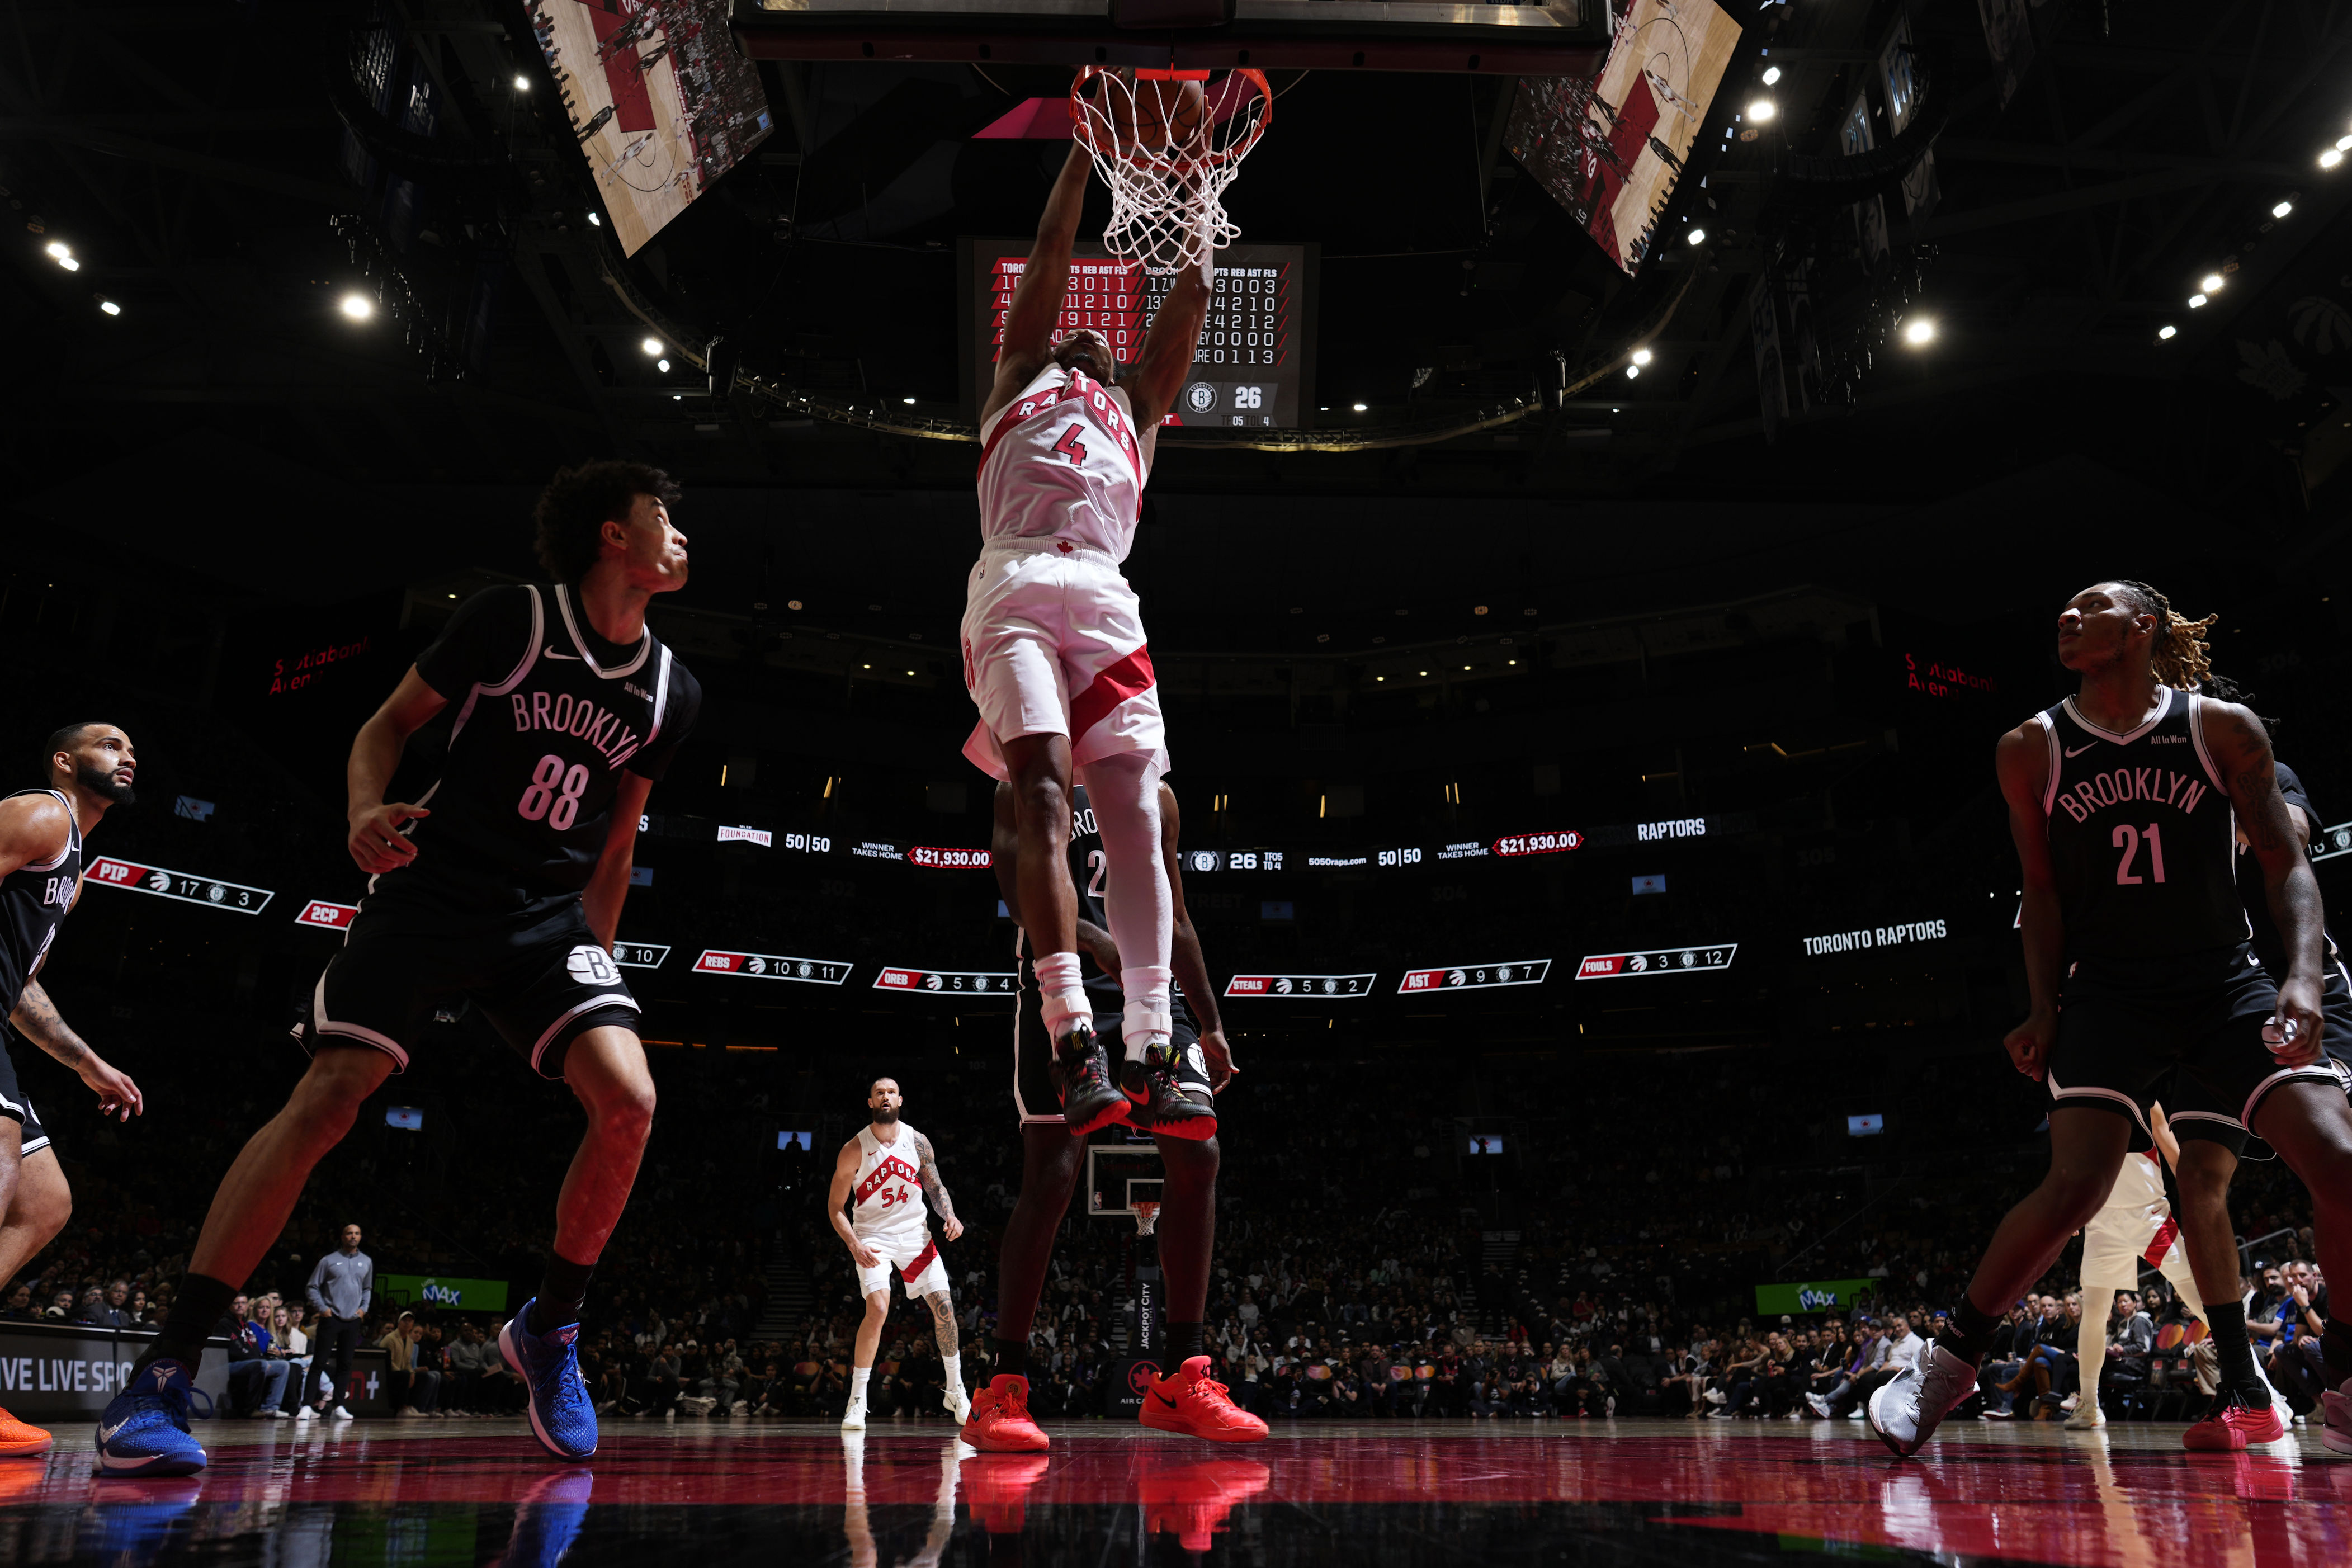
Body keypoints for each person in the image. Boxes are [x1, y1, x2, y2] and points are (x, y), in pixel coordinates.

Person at [97, 461, 701, 1476]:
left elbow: (619, 837)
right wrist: (361, 812)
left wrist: (597, 965)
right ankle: (162, 1373)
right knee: (329, 1097)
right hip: (434, 890)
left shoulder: (674, 687)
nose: (680, 534)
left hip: (547, 918)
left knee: (630, 1099)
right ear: (612, 534)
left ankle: (550, 1329)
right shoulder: (513, 619)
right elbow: (385, 726)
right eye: (662, 517)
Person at [1871, 582, 2352, 1458]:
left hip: (2221, 981)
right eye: (2062, 608)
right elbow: (2040, 890)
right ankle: (1948, 1365)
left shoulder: (2220, 728)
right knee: (2076, 1186)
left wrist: (2303, 980)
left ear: (2141, 627)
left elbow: (2286, 860)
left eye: (2089, 606)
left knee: (2336, 1155)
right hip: (2109, 993)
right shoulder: (2030, 747)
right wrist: (2040, 1006)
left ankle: (2343, 1376)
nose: (2066, 616)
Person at [957, 138, 1218, 1141]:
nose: (1095, 339)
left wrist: (1202, 205)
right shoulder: (1019, 378)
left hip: (1107, 594)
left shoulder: (1135, 410)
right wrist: (1083, 149)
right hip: (1017, 579)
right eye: (1083, 332)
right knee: (1040, 791)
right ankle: (1074, 1036)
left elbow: (1186, 306)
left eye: (1109, 342)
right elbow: (1052, 250)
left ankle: (1155, 1047)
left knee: (1135, 818)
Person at [962, 778, 1261, 1451]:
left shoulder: (1159, 792)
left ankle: (1181, 1379)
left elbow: (1175, 915)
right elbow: (1019, 891)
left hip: (1150, 987)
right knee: (1052, 1174)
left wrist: (1211, 1021)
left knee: (1200, 1152)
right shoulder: (1026, 778)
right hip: (1065, 978)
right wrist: (1096, 940)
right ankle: (1002, 1388)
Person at [0, 724, 147, 1458]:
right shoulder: (40, 813)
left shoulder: (74, 868)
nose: (128, 754)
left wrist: (86, 1062)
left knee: (44, 1200)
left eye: (132, 749)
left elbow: (21, 986)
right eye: (110, 743)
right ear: (64, 760)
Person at [826, 1077, 969, 1431]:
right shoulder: (854, 1149)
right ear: (871, 1103)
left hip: (915, 1236)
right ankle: (857, 1400)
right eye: (879, 1093)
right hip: (873, 1237)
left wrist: (950, 1216)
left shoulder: (917, 1141)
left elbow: (935, 1187)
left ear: (900, 1100)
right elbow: (835, 1208)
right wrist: (854, 1244)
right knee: (878, 1308)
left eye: (891, 1092)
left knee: (945, 1307)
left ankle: (956, 1390)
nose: (885, 1097)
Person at [2070, 1102, 2205, 1428]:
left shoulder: (2147, 1100)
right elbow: (2070, 1155)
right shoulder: (2071, 1098)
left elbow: (2173, 1153)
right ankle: (2089, 1404)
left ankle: (2262, 1390)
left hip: (2150, 1216)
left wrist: (2201, 1200)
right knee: (2094, 1313)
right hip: (2102, 1220)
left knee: (2204, 1300)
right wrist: (2069, 1204)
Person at [299, 1222, 372, 1420]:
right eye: (349, 1233)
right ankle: (306, 1406)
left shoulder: (366, 1261)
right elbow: (312, 1287)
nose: (353, 1236)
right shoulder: (329, 1260)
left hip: (353, 1319)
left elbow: (367, 1289)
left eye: (357, 1233)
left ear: (360, 1237)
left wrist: (364, 1309)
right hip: (331, 1318)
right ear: (342, 1237)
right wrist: (323, 1309)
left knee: (345, 1364)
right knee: (319, 1362)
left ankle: (339, 1406)